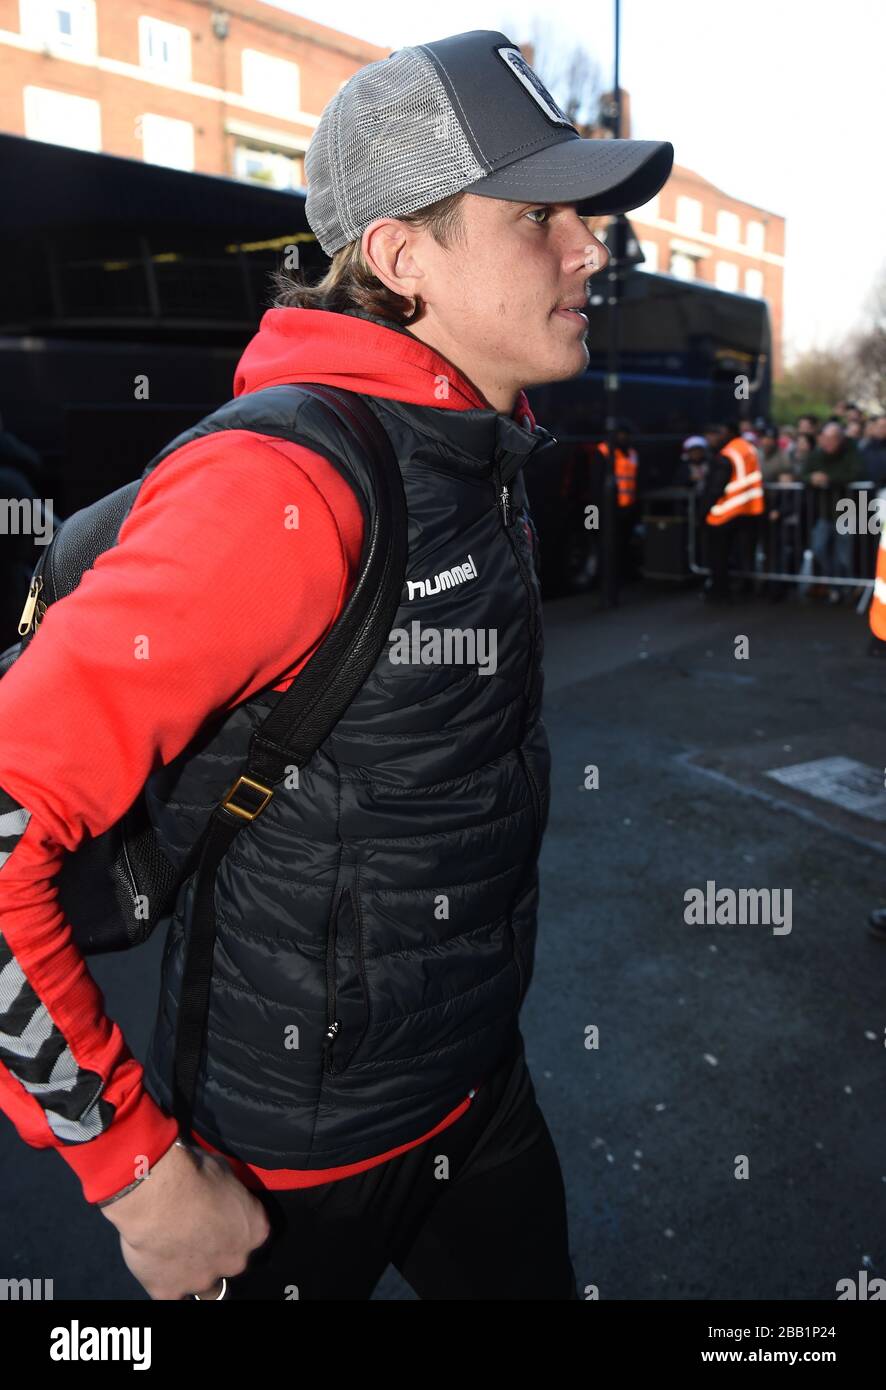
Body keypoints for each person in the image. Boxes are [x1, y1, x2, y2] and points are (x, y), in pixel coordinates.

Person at [0, 28, 674, 1301]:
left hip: (474, 1087)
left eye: (585, 216)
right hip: (291, 1160)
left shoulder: (479, 440)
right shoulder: (283, 491)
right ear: (399, 256)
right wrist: (137, 1175)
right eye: (540, 216)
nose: (591, 248)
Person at [700, 419, 765, 600]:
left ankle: (720, 591)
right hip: (749, 508)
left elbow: (715, 487)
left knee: (719, 555)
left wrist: (703, 511)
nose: (712, 438)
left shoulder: (726, 454)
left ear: (728, 432)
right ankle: (743, 587)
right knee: (742, 553)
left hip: (726, 511)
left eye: (717, 433)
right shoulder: (746, 448)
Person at [801, 421, 861, 603]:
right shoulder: (816, 455)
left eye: (832, 439)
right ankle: (834, 583)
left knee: (844, 554)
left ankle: (846, 588)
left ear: (839, 439)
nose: (827, 442)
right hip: (824, 512)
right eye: (825, 438)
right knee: (818, 548)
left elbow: (855, 474)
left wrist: (829, 480)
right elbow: (804, 474)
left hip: (845, 511)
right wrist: (812, 479)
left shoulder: (851, 453)